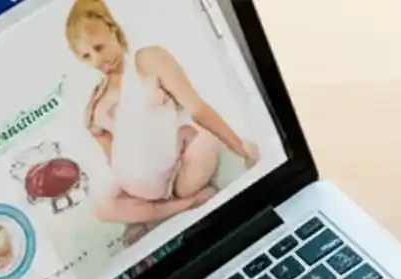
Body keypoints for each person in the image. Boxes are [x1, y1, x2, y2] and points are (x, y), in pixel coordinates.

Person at [64, 0, 259, 228]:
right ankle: (186, 204)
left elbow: (196, 108)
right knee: (101, 207)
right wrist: (95, 130)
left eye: (98, 47)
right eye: (86, 56)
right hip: (143, 185)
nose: (97, 61)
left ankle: (171, 203)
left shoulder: (146, 60)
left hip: (179, 163)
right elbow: (113, 155)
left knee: (194, 157)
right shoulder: (98, 98)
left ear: (113, 30)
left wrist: (241, 148)